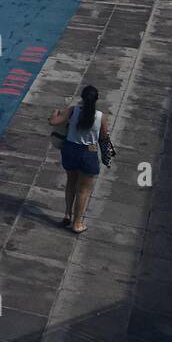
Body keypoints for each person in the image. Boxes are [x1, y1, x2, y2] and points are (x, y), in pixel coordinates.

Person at [49, 85, 108, 234]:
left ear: (82, 98)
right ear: (96, 100)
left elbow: (54, 122)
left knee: (71, 183)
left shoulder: (72, 110)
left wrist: (54, 113)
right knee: (83, 190)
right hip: (88, 153)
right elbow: (103, 137)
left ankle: (67, 215)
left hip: (70, 150)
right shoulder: (100, 116)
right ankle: (77, 223)